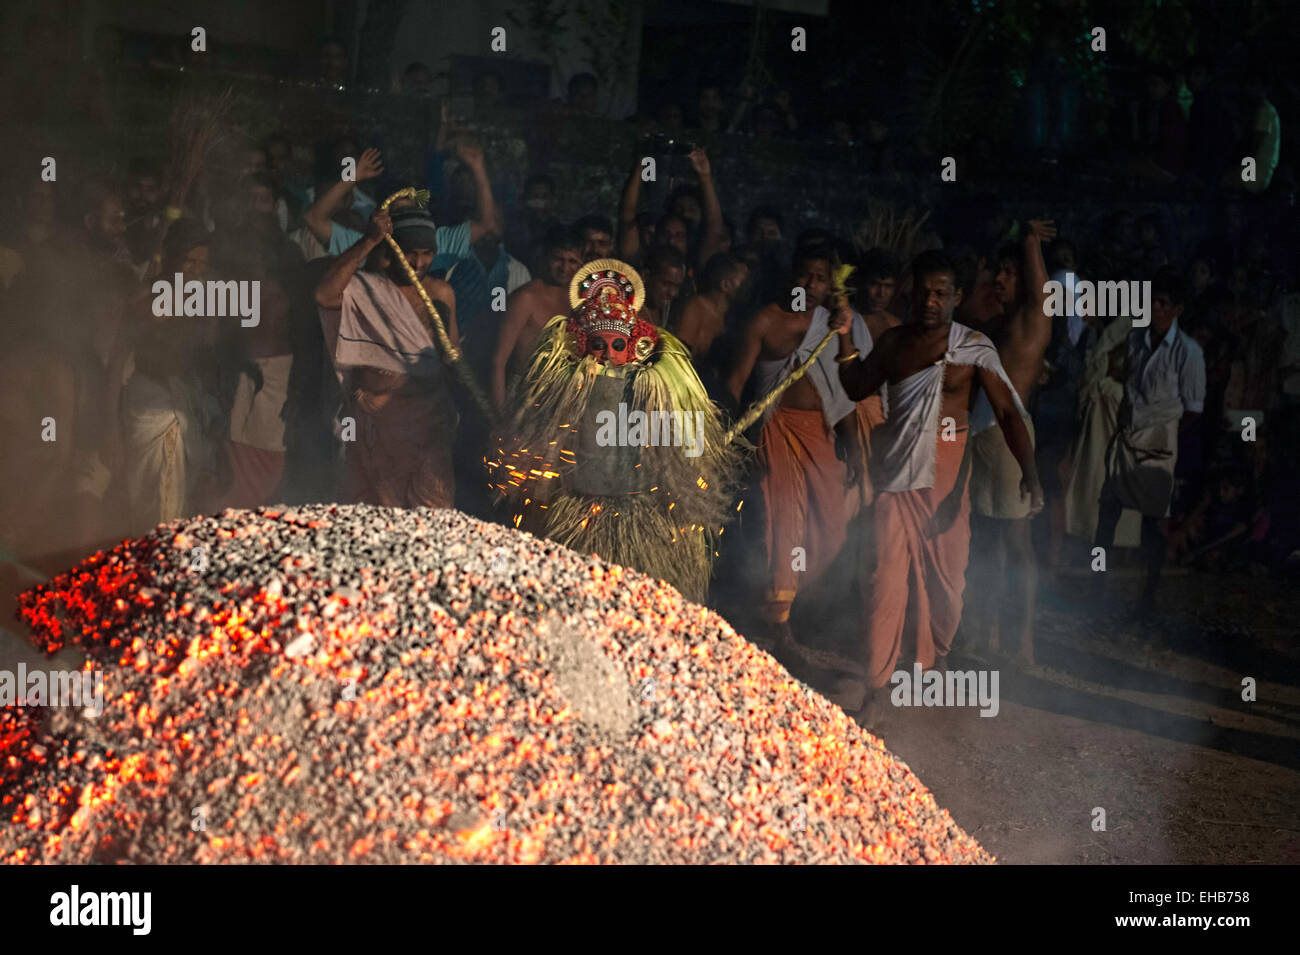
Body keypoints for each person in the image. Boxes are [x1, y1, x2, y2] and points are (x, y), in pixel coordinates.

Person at [834, 250, 1041, 721]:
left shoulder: (973, 348)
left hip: (945, 480)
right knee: (884, 579)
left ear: (957, 297)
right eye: (924, 291)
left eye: (941, 293)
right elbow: (855, 385)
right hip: (897, 478)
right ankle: (877, 687)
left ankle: (937, 656)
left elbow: (1008, 412)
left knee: (947, 585)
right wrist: (845, 335)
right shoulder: (893, 343)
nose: (930, 301)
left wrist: (1031, 473)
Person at [489, 259, 740, 602]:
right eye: (598, 345)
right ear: (583, 345)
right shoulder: (564, 385)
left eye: (618, 346)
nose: (607, 354)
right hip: (579, 511)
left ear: (634, 346)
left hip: (642, 517)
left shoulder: (658, 385)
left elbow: (682, 444)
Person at [728, 247, 871, 645]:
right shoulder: (767, 320)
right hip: (775, 431)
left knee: (831, 529)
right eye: (804, 275)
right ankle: (778, 622)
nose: (810, 285)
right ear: (792, 275)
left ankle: (781, 605)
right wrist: (732, 438)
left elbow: (846, 392)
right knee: (783, 524)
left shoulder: (836, 326)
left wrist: (854, 449)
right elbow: (737, 382)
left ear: (830, 285)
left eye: (821, 277)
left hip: (821, 435)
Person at [315, 208, 460, 508]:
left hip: (428, 423)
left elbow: (451, 356)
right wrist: (369, 241)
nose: (418, 263)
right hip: (376, 422)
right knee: (374, 509)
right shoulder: (367, 287)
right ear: (393, 250)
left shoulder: (441, 292)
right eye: (410, 253)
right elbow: (325, 295)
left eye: (426, 253)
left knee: (432, 509)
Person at [965, 220, 1055, 663]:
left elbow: (1040, 292)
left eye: (1008, 272)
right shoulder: (997, 322)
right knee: (987, 542)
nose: (999, 280)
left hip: (1009, 440)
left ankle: (1023, 642)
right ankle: (988, 633)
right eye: (996, 271)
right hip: (982, 437)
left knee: (1017, 544)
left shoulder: (1033, 317)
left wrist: (1030, 240)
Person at [1094, 269, 1205, 615]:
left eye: (1163, 303)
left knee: (1153, 524)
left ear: (1177, 309)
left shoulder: (1188, 352)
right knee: (1107, 512)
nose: (1155, 308)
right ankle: (1097, 584)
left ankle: (1148, 596)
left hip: (1159, 442)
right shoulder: (1135, 340)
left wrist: (1165, 435)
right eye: (1152, 302)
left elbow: (1194, 408)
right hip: (1128, 435)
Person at [491, 227, 583, 409]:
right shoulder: (526, 298)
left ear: (581, 263)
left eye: (572, 261)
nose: (565, 268)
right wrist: (498, 416)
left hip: (563, 398)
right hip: (523, 397)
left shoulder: (579, 301)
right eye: (558, 259)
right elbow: (497, 361)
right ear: (546, 258)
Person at [673, 251, 749, 402]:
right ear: (725, 285)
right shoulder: (695, 309)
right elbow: (678, 358)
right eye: (743, 281)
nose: (747, 286)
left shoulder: (733, 318)